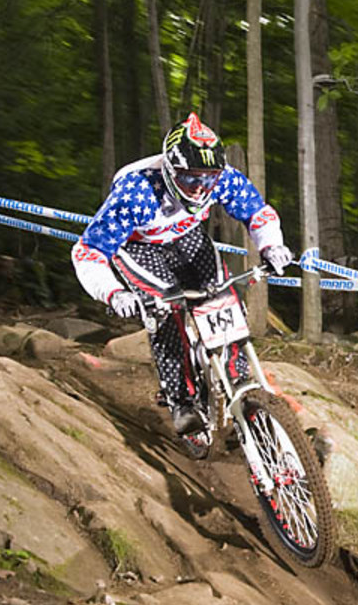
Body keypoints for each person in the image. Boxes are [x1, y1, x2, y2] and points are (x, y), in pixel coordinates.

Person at [71, 112, 293, 443]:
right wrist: (114, 293)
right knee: (165, 308)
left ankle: (240, 388)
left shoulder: (223, 177)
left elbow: (257, 212)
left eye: (209, 180)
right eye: (191, 180)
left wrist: (272, 246)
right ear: (171, 171)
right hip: (138, 246)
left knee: (221, 293)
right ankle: (182, 400)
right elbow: (88, 252)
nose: (201, 188)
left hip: (187, 236)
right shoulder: (137, 191)